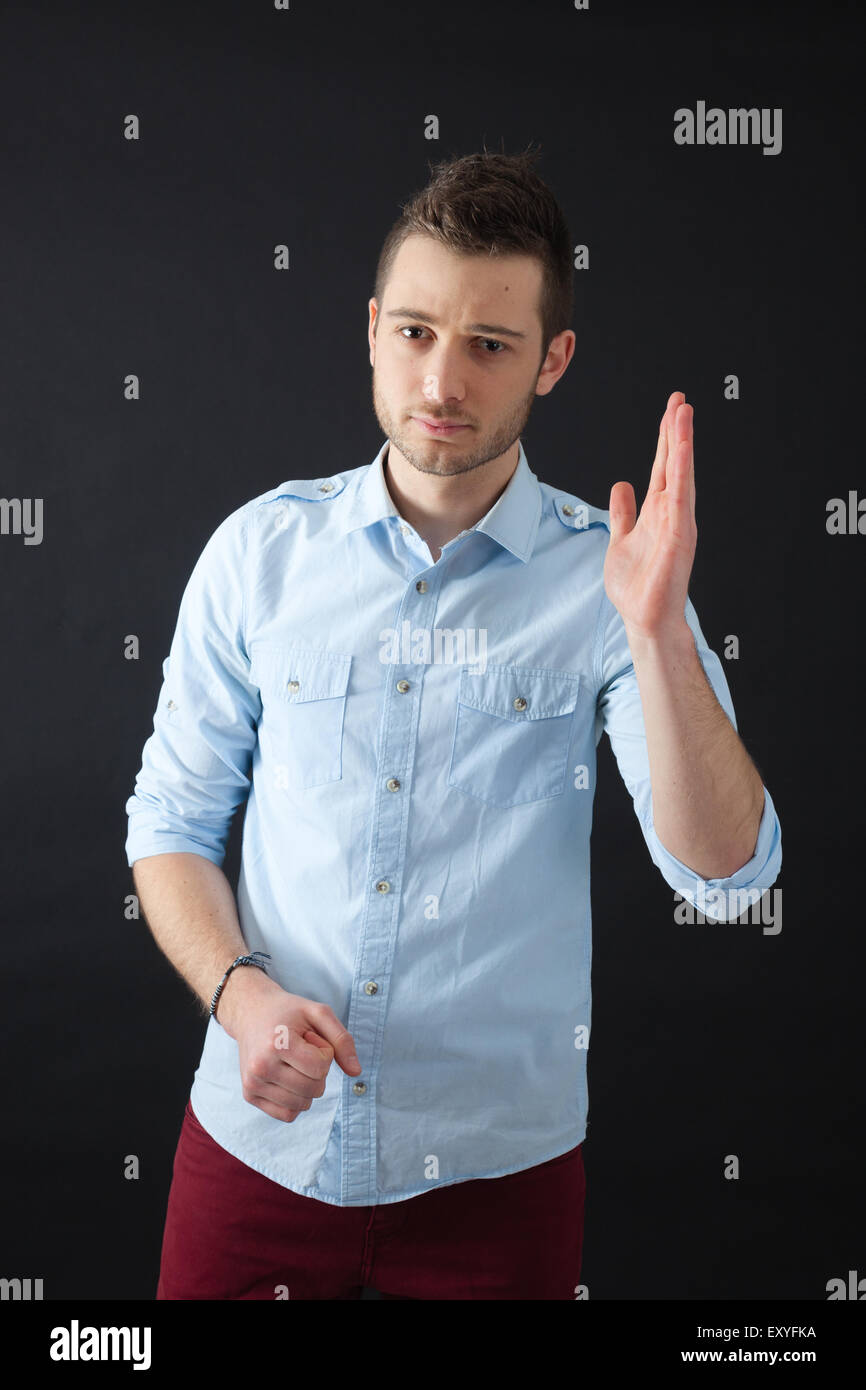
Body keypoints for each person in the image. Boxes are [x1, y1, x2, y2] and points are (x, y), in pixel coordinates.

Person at [125, 147, 782, 1300]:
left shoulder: (609, 583)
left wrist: (656, 633)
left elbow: (723, 873)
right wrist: (242, 996)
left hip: (498, 1186)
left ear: (551, 360)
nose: (442, 377)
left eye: (489, 344)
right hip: (258, 1155)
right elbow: (170, 823)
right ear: (373, 328)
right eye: (416, 331)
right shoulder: (257, 555)